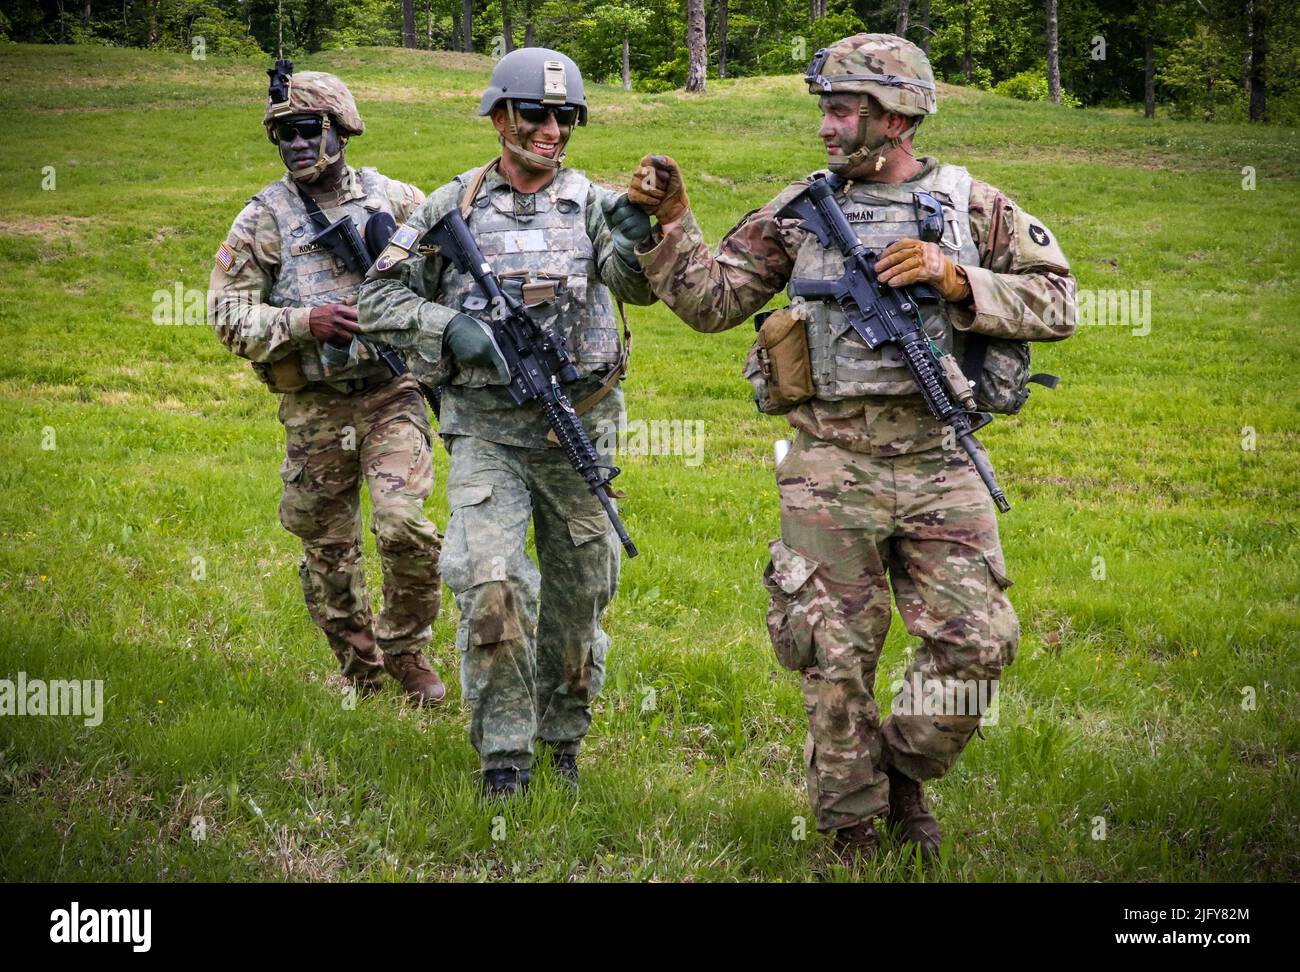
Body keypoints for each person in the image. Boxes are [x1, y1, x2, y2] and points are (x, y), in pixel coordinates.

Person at [628, 33, 1076, 863]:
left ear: (898, 116)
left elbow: (1060, 304)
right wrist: (672, 222)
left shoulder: (974, 206)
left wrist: (955, 280)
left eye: (842, 110)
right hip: (830, 462)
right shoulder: (799, 210)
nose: (827, 127)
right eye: (825, 110)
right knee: (832, 657)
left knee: (978, 642)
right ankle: (851, 828)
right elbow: (711, 300)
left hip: (941, 455)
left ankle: (903, 772)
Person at [359, 49, 656, 797]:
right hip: (487, 431)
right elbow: (377, 301)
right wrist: (446, 327)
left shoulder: (592, 202)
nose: (552, 129)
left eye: (566, 117)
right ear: (500, 118)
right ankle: (504, 757)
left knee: (579, 596)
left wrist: (638, 238)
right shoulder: (450, 208)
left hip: (579, 430)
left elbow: (637, 291)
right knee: (492, 584)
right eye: (535, 114)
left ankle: (562, 741)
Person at [208, 65, 446, 705]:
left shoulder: (395, 200)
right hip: (314, 407)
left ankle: (407, 653)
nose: (294, 144)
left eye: (306, 128)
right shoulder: (265, 218)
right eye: (281, 134)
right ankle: (361, 670)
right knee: (328, 549)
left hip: (390, 392)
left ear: (341, 128)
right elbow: (226, 314)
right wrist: (303, 321)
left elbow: (448, 276)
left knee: (403, 525)